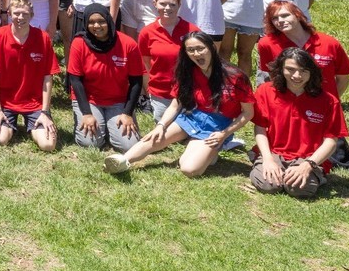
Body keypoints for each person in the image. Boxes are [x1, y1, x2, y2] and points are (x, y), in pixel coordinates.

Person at [105, 32, 254, 177]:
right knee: (156, 138)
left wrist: (224, 134)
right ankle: (122, 161)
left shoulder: (235, 76)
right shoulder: (187, 72)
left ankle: (207, 152)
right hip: (192, 116)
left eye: (200, 48)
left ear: (212, 48)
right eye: (191, 50)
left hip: (218, 125)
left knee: (189, 169)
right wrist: (160, 126)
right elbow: (175, 105)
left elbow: (248, 113)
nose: (196, 54)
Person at [256, 0, 349, 173]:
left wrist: (327, 104)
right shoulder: (267, 44)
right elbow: (273, 79)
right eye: (274, 18)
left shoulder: (329, 43)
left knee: (337, 154)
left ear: (298, 15)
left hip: (320, 111)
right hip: (289, 109)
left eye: (285, 15)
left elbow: (342, 78)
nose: (280, 20)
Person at [250, 49, 349, 198]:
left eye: (303, 71)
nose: (296, 76)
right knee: (268, 185)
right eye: (290, 69)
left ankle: (310, 174)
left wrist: (308, 165)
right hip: (274, 153)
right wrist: (268, 159)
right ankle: (270, 168)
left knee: (300, 189)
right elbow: (260, 129)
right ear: (281, 69)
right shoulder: (265, 91)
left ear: (312, 72)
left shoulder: (328, 101)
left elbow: (331, 142)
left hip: (308, 158)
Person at [0, 0, 59, 150]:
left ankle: (34, 122)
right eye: (16, 13)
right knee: (1, 140)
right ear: (10, 14)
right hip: (6, 101)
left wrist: (44, 111)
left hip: (34, 102)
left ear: (31, 15)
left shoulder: (42, 38)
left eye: (25, 13)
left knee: (48, 145)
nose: (20, 17)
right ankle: (6, 123)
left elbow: (48, 77)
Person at [66, 5, 143, 151]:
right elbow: (75, 81)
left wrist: (127, 113)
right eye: (91, 22)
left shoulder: (128, 44)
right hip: (90, 101)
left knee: (129, 145)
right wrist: (87, 114)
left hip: (118, 101)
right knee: (90, 143)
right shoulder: (79, 43)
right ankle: (101, 124)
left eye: (101, 21)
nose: (96, 26)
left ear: (109, 21)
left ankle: (109, 124)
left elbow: (136, 82)